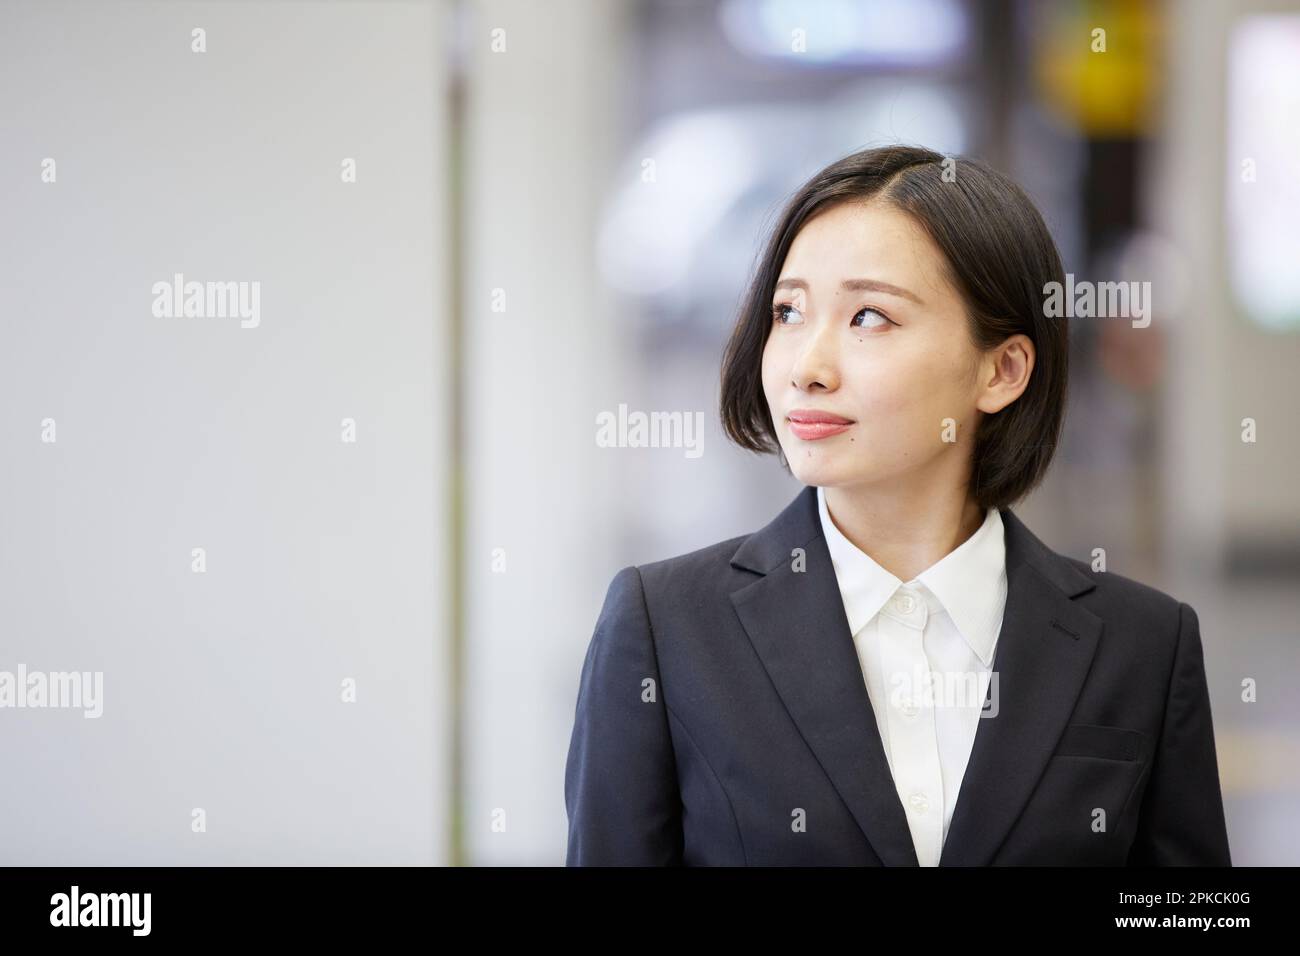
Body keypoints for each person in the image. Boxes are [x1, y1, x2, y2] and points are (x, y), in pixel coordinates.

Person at [564, 144, 1231, 866]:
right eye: (788, 311)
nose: (807, 368)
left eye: (870, 318)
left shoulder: (1142, 645)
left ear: (1001, 370)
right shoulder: (666, 630)